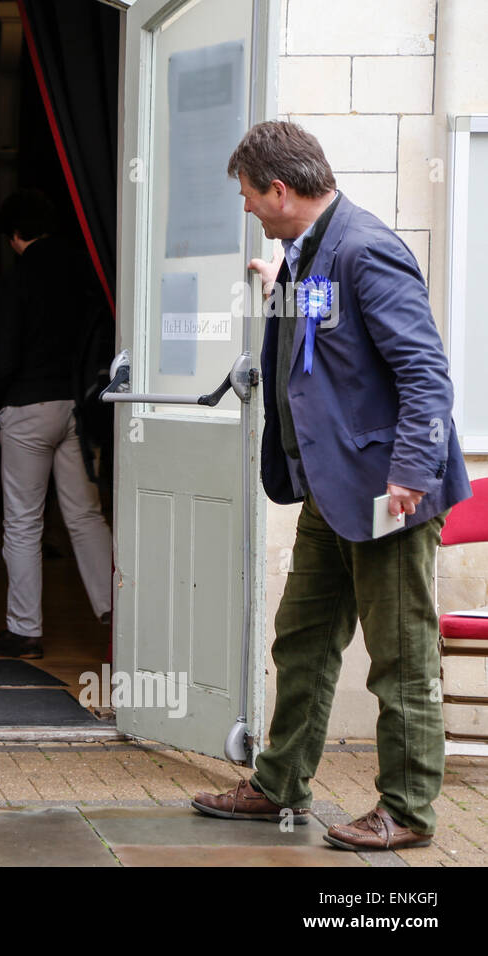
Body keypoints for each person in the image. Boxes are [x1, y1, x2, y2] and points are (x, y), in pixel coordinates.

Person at [192, 121, 472, 850]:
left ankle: (407, 810)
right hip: (331, 491)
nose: (247, 208)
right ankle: (280, 783)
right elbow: (329, 336)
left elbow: (425, 374)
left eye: (250, 195)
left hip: (388, 496)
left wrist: (411, 472)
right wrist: (274, 285)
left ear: (280, 190)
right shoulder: (312, 252)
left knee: (401, 660)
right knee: (303, 639)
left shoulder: (366, 249)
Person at [0, 189, 114, 660]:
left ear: (15, 236)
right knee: (85, 515)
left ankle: (25, 630)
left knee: (22, 523)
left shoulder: (16, 279)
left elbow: (2, 356)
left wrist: (1, 389)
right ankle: (117, 615)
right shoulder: (86, 269)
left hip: (28, 408)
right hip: (78, 405)